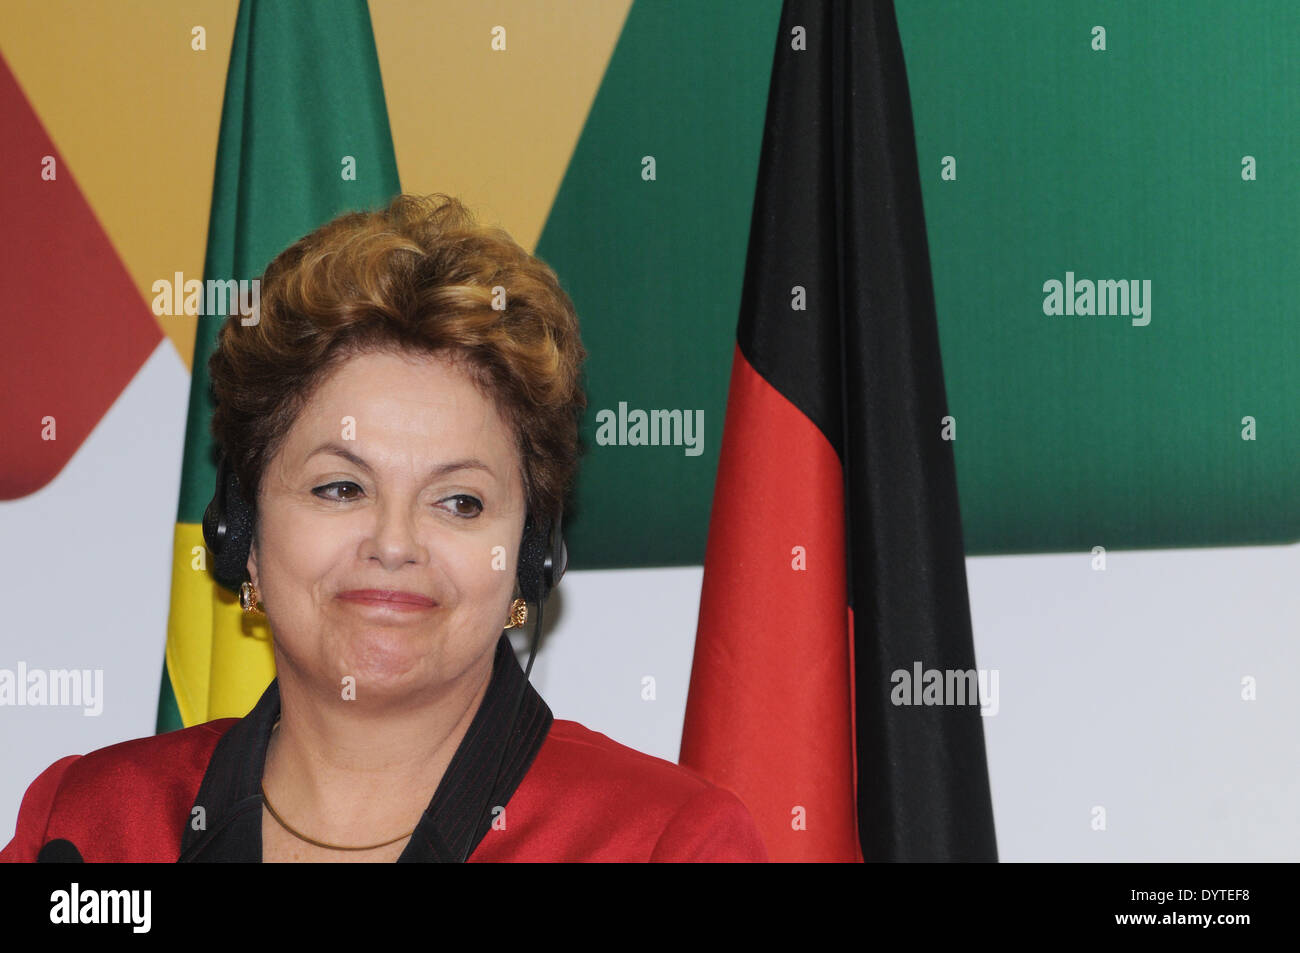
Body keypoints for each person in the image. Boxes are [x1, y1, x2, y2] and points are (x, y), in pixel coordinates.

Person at [1, 194, 767, 863]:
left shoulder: (664, 845)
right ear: (242, 533)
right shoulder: (88, 827)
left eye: (459, 501)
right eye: (341, 486)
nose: (395, 542)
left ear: (532, 555)